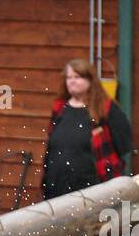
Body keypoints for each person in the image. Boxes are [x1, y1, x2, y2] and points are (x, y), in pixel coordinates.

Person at [42, 58, 133, 199]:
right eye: (68, 77)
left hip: (94, 189)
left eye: (77, 77)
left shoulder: (106, 108)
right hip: (57, 187)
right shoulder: (59, 108)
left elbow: (124, 144)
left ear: (90, 80)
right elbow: (51, 148)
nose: (71, 81)